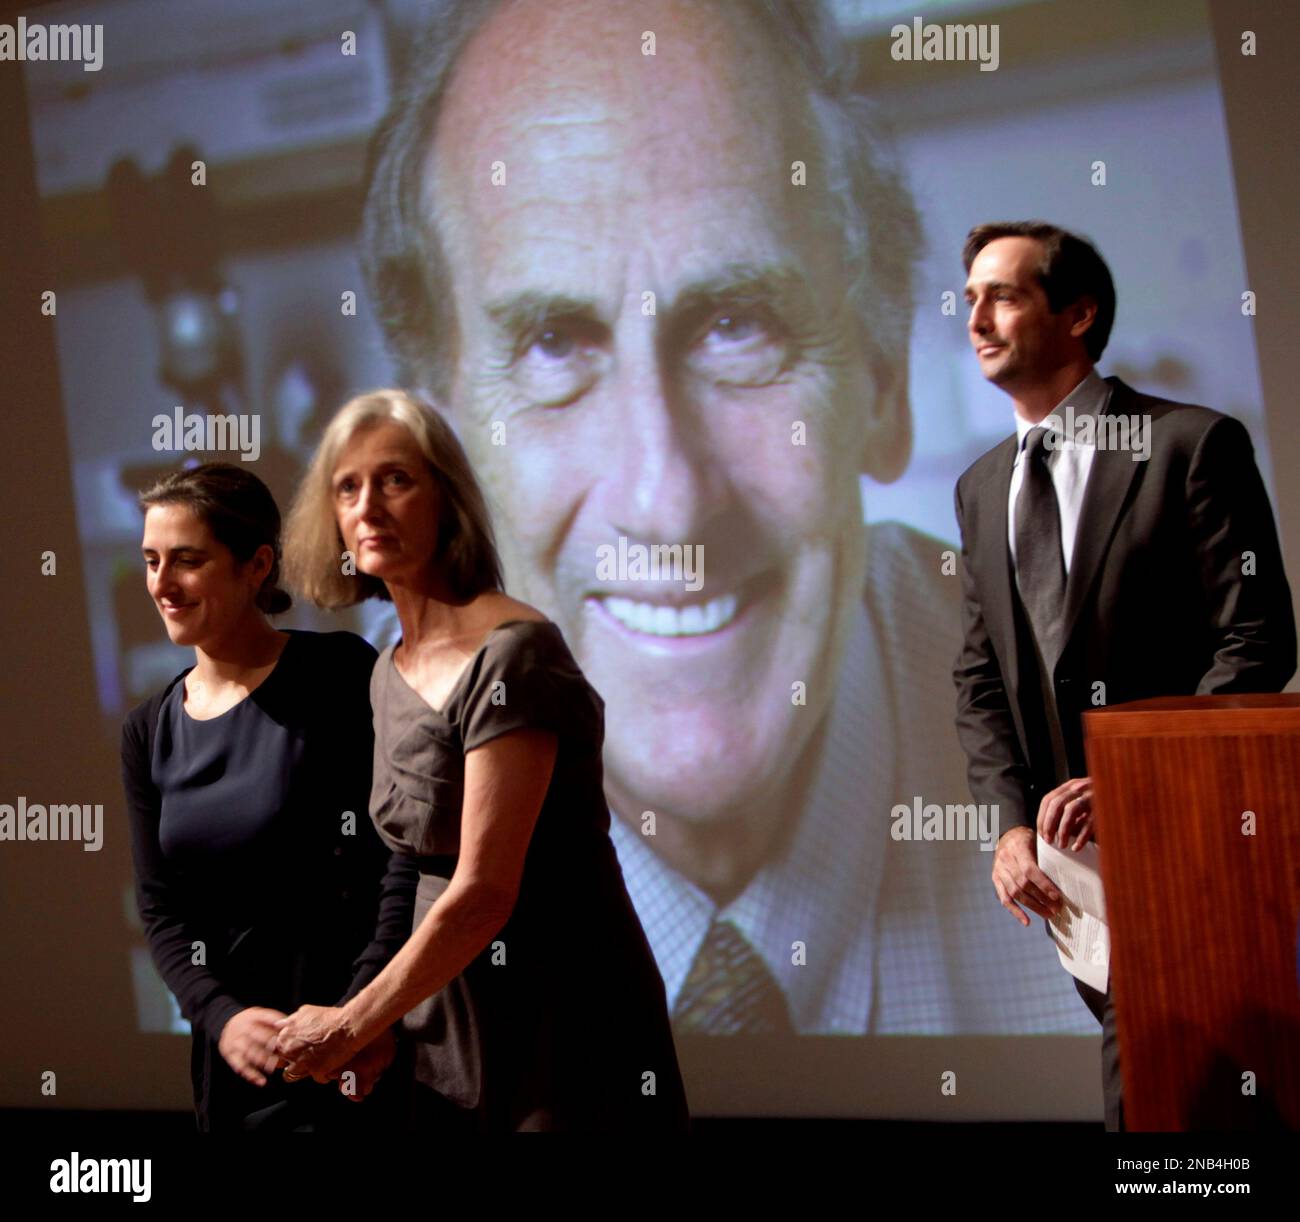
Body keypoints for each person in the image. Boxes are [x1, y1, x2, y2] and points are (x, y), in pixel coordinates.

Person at [355, 0, 1087, 1035]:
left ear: (881, 385)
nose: (669, 500)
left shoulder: (1119, 791)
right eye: (554, 345)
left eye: (738, 327)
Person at [952, 220, 1297, 1129]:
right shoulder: (981, 486)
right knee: (1177, 1109)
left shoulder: (1192, 445)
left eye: (1005, 295)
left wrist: (1133, 782)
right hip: (1071, 883)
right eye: (969, 299)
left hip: (1198, 856)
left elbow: (1257, 643)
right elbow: (980, 678)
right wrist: (1012, 824)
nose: (977, 318)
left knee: (1165, 1112)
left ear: (1079, 314)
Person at [273, 389, 690, 1131]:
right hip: (441, 1029)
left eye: (396, 479)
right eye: (348, 486)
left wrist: (349, 1022)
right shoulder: (385, 667)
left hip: (561, 1025)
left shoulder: (516, 655)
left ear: (448, 500)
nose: (368, 505)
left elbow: (485, 892)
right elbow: (405, 868)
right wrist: (370, 1022)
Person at [121, 463, 408, 1132]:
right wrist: (221, 1017)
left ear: (256, 567)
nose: (161, 584)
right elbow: (161, 912)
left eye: (187, 561)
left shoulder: (337, 674)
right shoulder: (147, 729)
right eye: (151, 560)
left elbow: (400, 860)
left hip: (357, 1054)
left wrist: (361, 1014)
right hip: (238, 1078)